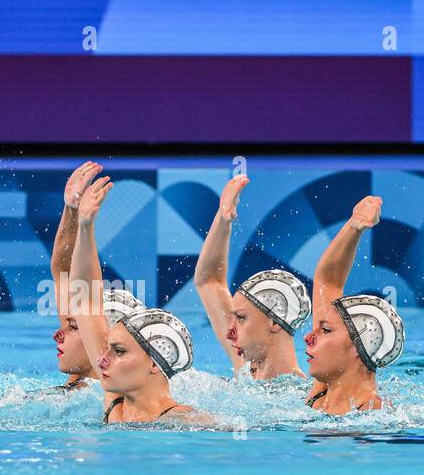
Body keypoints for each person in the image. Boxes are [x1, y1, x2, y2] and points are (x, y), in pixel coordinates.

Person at [71, 175, 203, 424]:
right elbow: (86, 298)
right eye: (110, 348)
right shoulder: (115, 404)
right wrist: (85, 226)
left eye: (119, 351)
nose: (101, 359)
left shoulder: (188, 422)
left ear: (154, 363)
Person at [194, 174, 311, 380]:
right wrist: (223, 219)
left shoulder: (305, 397)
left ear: (275, 321)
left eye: (241, 318)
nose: (229, 332)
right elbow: (209, 280)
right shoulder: (245, 370)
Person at [50, 161, 146, 392]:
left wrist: (86, 225)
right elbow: (64, 271)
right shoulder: (76, 390)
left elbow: (86, 300)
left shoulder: (113, 402)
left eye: (74, 327)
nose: (57, 334)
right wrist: (71, 210)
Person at [304, 196, 405, 414]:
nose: (308, 337)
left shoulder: (374, 412)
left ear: (359, 348)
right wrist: (354, 226)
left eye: (326, 330)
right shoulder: (320, 395)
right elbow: (327, 280)